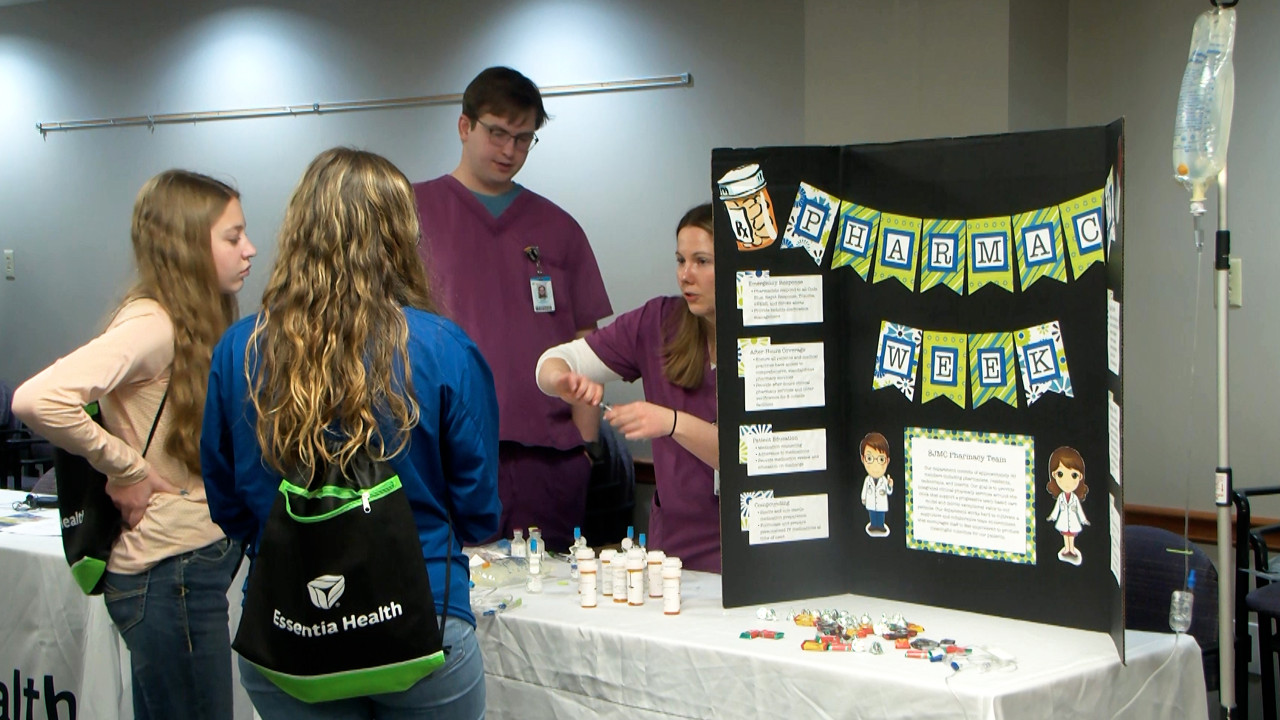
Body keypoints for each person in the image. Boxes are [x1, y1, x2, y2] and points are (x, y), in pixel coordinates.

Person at [201, 147, 500, 718]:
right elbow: (479, 511)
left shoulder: (239, 350)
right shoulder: (443, 349)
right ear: (397, 236)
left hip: (287, 622)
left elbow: (228, 502)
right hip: (420, 621)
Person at [13, 170, 254, 719]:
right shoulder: (154, 325)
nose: (250, 249)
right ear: (188, 244)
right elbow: (37, 399)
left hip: (183, 570)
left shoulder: (192, 320)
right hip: (169, 575)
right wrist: (125, 468)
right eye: (233, 236)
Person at [413, 66, 612, 552]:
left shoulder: (558, 228)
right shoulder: (412, 214)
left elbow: (588, 343)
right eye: (498, 133)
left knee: (552, 606)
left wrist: (586, 448)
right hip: (444, 453)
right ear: (465, 127)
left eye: (524, 139)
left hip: (549, 459)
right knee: (453, 604)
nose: (510, 151)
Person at [536, 203, 720, 572]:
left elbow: (750, 459)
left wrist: (671, 422)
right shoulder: (658, 322)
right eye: (680, 260)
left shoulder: (776, 343)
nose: (686, 275)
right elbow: (551, 364)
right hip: (673, 549)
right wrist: (564, 380)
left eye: (702, 261)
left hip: (745, 545)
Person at [1046, 445, 1089, 566]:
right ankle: (1067, 549)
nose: (1067, 482)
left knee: (1071, 535)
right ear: (1053, 475)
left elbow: (1079, 510)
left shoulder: (1074, 498)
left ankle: (1071, 549)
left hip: (1073, 519)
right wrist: (1052, 517)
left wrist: (1083, 519)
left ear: (1080, 477)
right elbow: (1056, 509)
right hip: (1064, 519)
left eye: (1073, 475)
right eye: (1060, 474)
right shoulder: (1061, 497)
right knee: (1066, 534)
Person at [858, 432, 893, 537]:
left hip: (881, 503)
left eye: (881, 460)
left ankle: (880, 526)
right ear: (863, 459)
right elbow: (864, 490)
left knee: (880, 515)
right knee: (872, 514)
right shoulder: (867, 480)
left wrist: (890, 485)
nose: (875, 466)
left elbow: (889, 491)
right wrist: (863, 498)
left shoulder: (884, 480)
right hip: (871, 502)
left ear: (887, 461)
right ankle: (873, 525)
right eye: (870, 459)